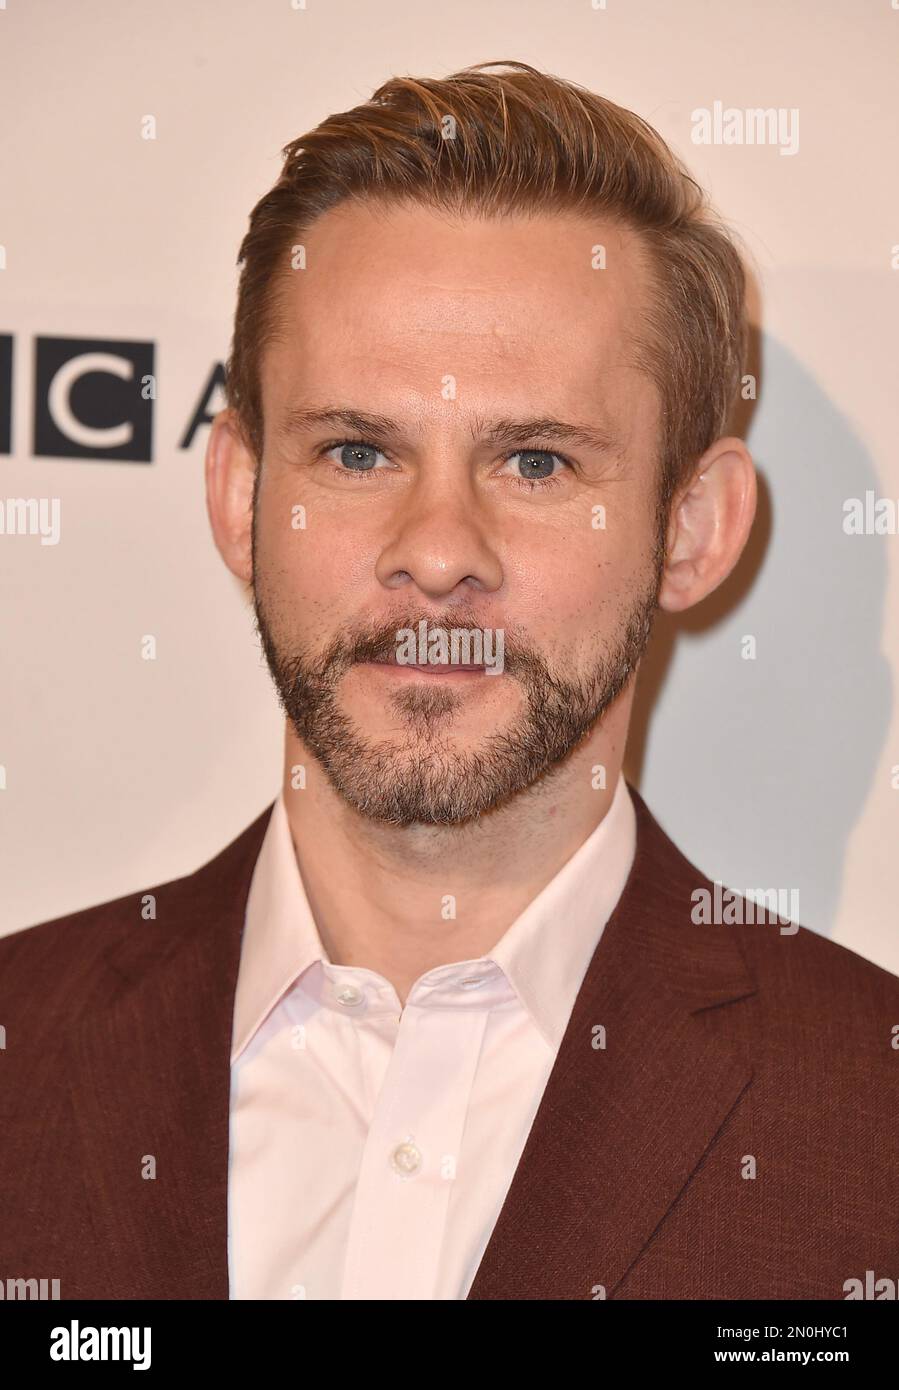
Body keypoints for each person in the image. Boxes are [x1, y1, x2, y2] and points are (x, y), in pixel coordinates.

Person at [2, 60, 896, 1302]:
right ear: (241, 496)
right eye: (357, 450)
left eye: (534, 462)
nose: (435, 553)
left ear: (690, 530)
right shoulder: (18, 1053)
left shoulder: (870, 1128)